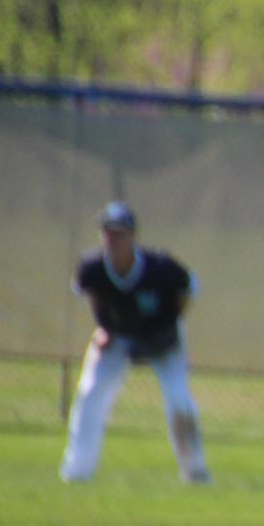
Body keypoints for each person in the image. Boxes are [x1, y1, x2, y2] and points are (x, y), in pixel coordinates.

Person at [59, 201, 211, 485]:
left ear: (133, 237)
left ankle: (196, 472)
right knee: (90, 393)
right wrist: (104, 327)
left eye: (120, 233)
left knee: (179, 400)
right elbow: (93, 297)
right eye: (107, 233)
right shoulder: (92, 268)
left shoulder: (161, 267)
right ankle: (77, 473)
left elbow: (190, 290)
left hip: (162, 340)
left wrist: (171, 323)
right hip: (117, 336)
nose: (113, 239)